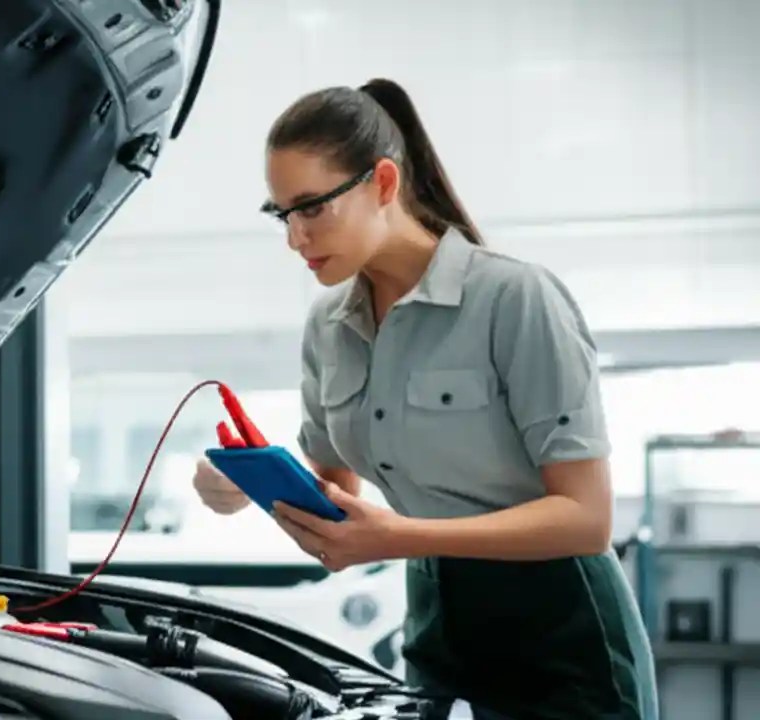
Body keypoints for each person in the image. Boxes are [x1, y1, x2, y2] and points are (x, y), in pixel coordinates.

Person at [192, 79, 657, 719]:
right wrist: (244, 483)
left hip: (563, 636)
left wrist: (400, 536)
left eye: (311, 208)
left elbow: (586, 518)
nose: (294, 238)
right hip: (438, 625)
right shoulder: (329, 327)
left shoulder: (512, 300)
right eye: (282, 215)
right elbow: (339, 501)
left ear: (383, 183)